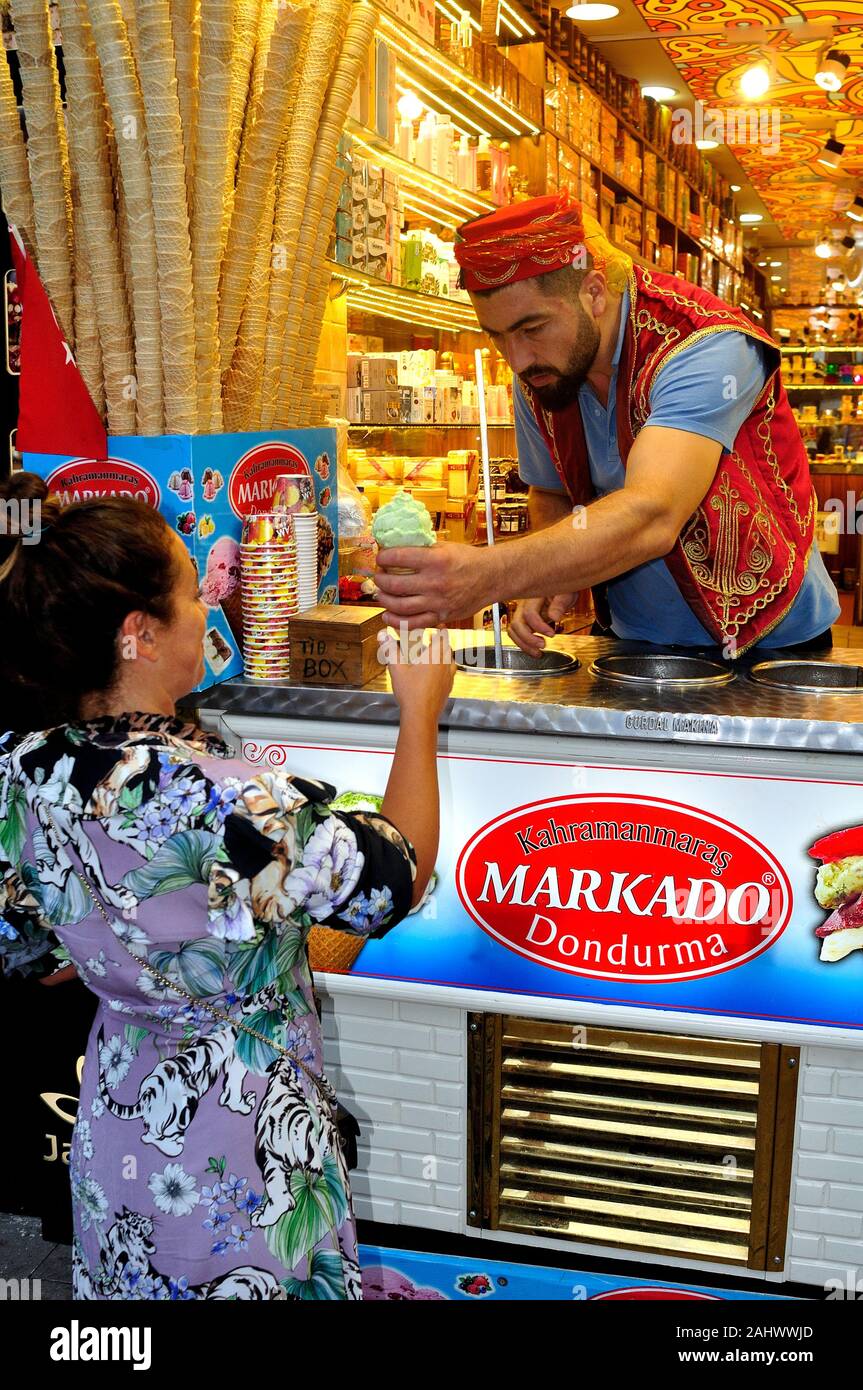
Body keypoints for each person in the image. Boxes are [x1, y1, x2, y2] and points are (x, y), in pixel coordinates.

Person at [0, 473, 453, 1301]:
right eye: (191, 592)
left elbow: (29, 951)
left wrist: (135, 939)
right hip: (248, 1145)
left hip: (120, 1128)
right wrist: (417, 709)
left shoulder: (23, 772)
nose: (210, 608)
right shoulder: (224, 799)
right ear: (139, 632)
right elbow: (392, 881)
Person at [374, 192, 839, 660]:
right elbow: (552, 493)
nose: (516, 359)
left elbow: (653, 514)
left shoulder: (708, 345)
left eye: (532, 328)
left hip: (770, 640)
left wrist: (492, 574)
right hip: (631, 636)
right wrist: (548, 574)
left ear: (594, 292)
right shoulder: (541, 369)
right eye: (498, 337)